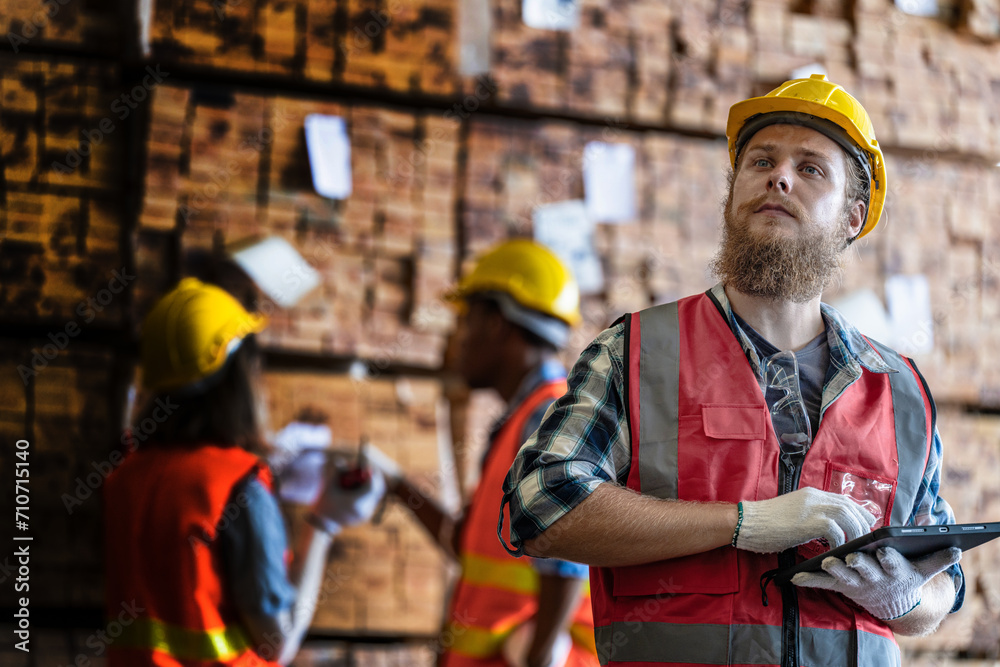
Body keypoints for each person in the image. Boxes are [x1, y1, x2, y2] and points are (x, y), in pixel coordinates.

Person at [498, 75, 966, 667]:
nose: (779, 177)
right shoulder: (637, 352)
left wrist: (903, 597)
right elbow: (540, 505)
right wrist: (744, 523)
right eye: (761, 161)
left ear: (853, 217)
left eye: (811, 168)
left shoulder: (899, 393)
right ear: (731, 194)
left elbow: (944, 583)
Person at [104, 277, 384, 666]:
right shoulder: (236, 487)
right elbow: (277, 642)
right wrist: (324, 522)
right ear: (239, 378)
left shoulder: (124, 478)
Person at [368, 240, 600, 667]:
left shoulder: (547, 418)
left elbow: (568, 560)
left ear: (496, 324)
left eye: (464, 322)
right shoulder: (519, 422)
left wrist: (539, 654)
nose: (455, 341)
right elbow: (468, 543)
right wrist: (396, 485)